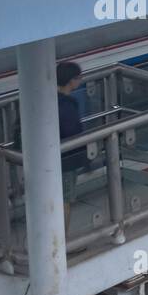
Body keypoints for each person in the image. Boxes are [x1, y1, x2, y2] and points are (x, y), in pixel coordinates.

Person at [57, 61, 86, 232]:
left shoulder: (49, 99)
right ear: (71, 80)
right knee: (65, 201)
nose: (81, 80)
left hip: (55, 160)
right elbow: (72, 131)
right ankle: (63, 244)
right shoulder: (67, 104)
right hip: (66, 160)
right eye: (79, 77)